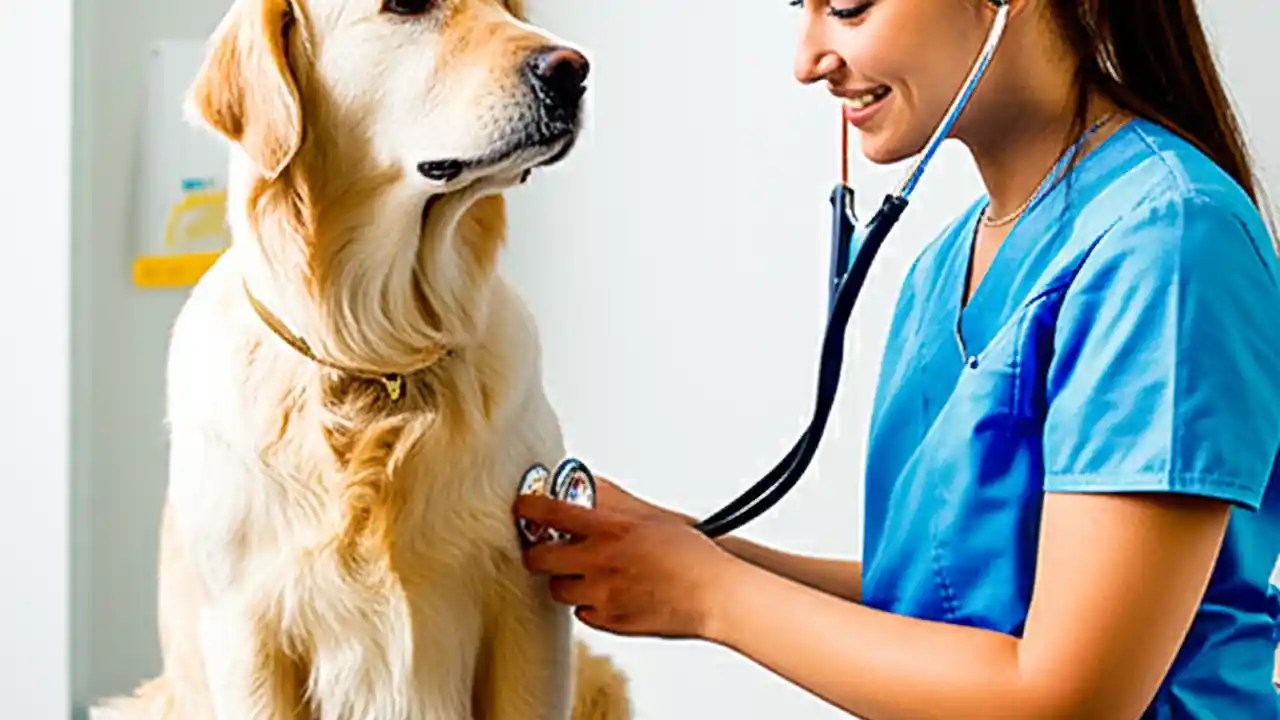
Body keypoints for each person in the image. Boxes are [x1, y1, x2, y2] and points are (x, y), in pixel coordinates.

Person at [514, 0, 1280, 717]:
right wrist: (694, 550)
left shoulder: (1169, 241)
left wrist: (708, 594)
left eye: (847, 7)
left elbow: (1071, 695)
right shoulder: (945, 265)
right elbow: (934, 609)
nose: (809, 59)